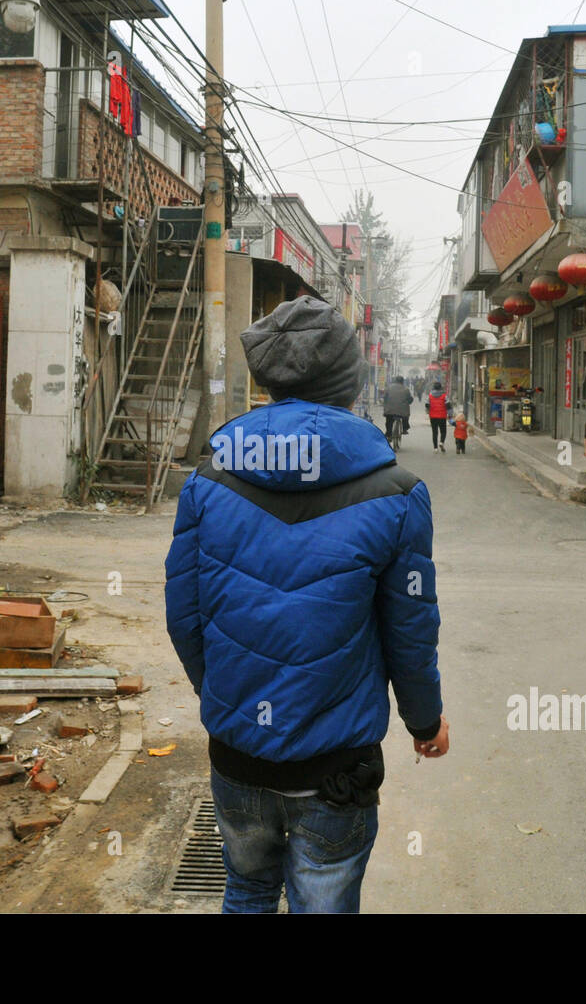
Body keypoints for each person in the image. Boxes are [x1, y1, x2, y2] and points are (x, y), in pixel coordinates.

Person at [165, 295, 448, 914]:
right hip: (335, 767)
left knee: (246, 891)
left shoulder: (209, 480)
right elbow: (410, 630)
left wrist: (225, 694)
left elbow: (183, 615)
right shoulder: (397, 493)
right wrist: (424, 721)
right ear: (350, 382)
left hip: (237, 751)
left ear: (268, 380)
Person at [382, 375, 413, 442]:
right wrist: (409, 402)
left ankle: (389, 434)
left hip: (389, 410)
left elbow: (385, 398)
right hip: (402, 411)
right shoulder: (406, 389)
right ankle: (404, 429)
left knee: (389, 421)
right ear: (402, 381)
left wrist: (385, 404)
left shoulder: (388, 388)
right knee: (405, 416)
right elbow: (410, 399)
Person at [426, 381, 450, 452]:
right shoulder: (444, 396)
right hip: (442, 416)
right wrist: (450, 415)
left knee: (434, 432)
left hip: (433, 416)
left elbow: (427, 405)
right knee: (443, 431)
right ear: (441, 388)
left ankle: (435, 448)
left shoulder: (430, 396)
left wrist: (428, 412)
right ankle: (441, 442)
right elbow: (448, 405)